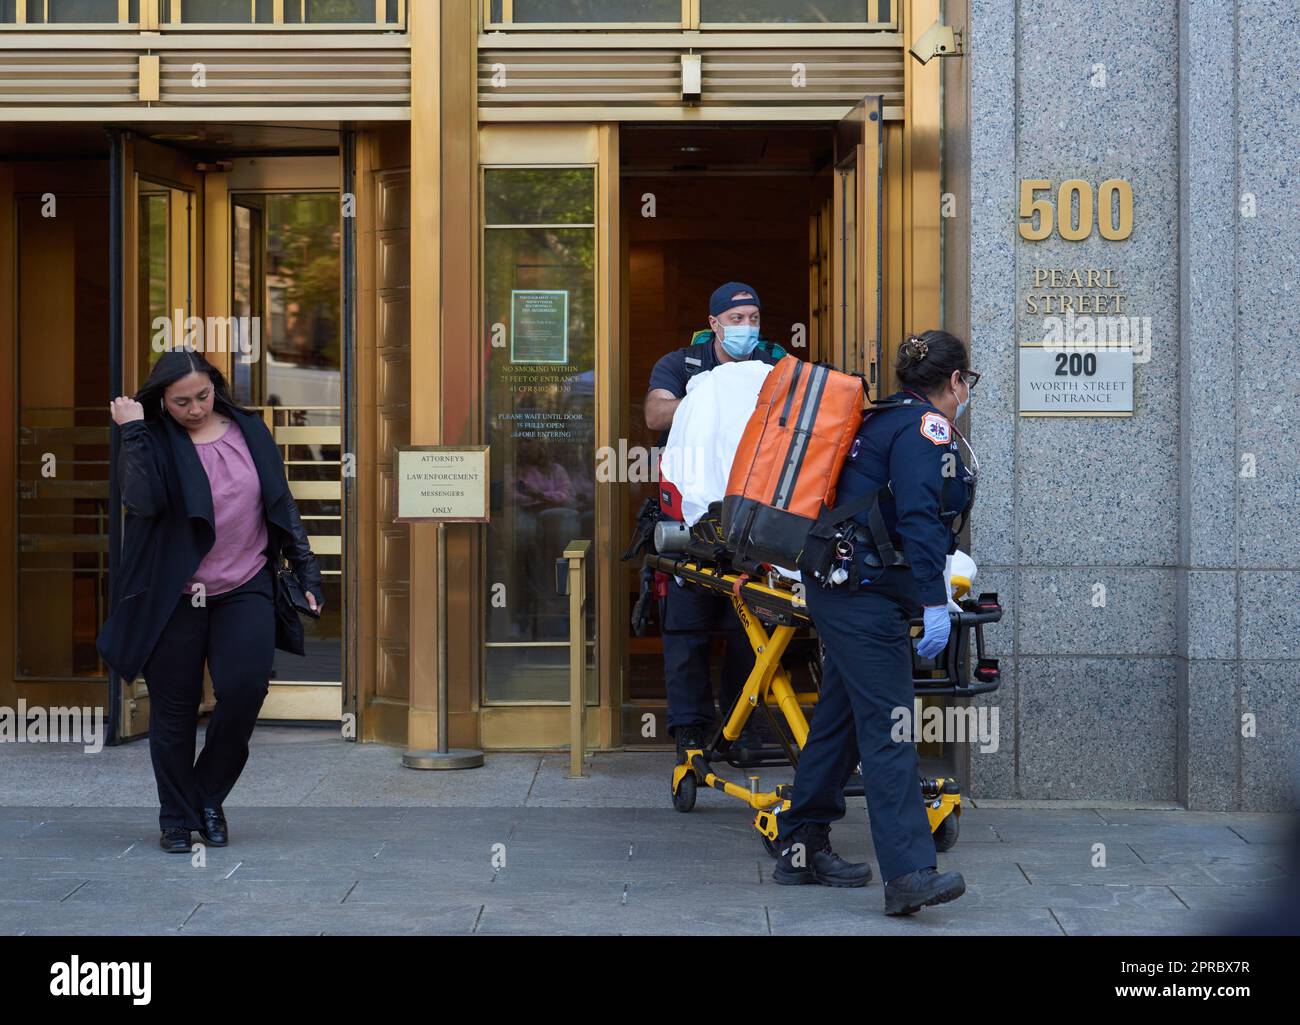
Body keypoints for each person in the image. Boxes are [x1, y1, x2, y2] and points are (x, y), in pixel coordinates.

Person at [773, 329, 979, 916]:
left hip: (842, 587)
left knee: (840, 718)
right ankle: (910, 874)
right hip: (862, 597)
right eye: (968, 383)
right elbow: (918, 517)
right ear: (956, 382)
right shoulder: (923, 429)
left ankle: (802, 842)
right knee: (891, 729)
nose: (966, 393)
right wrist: (935, 599)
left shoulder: (881, 417)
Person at [96, 348, 323, 854]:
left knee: (244, 692)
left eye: (202, 395)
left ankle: (205, 796)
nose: (196, 408)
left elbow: (280, 501)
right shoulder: (151, 438)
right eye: (182, 402)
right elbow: (143, 500)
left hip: (244, 584)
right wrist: (131, 429)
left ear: (215, 387)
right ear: (162, 400)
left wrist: (307, 568)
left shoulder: (249, 429)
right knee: (174, 712)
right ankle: (177, 818)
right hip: (174, 593)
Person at [644, 282, 790, 758]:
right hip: (691, 513)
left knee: (747, 625)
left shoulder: (774, 363)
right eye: (736, 319)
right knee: (687, 626)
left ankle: (740, 722)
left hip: (754, 515)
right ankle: (689, 726)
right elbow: (654, 415)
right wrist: (712, 398)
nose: (747, 328)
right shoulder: (684, 364)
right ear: (714, 324)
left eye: (753, 318)